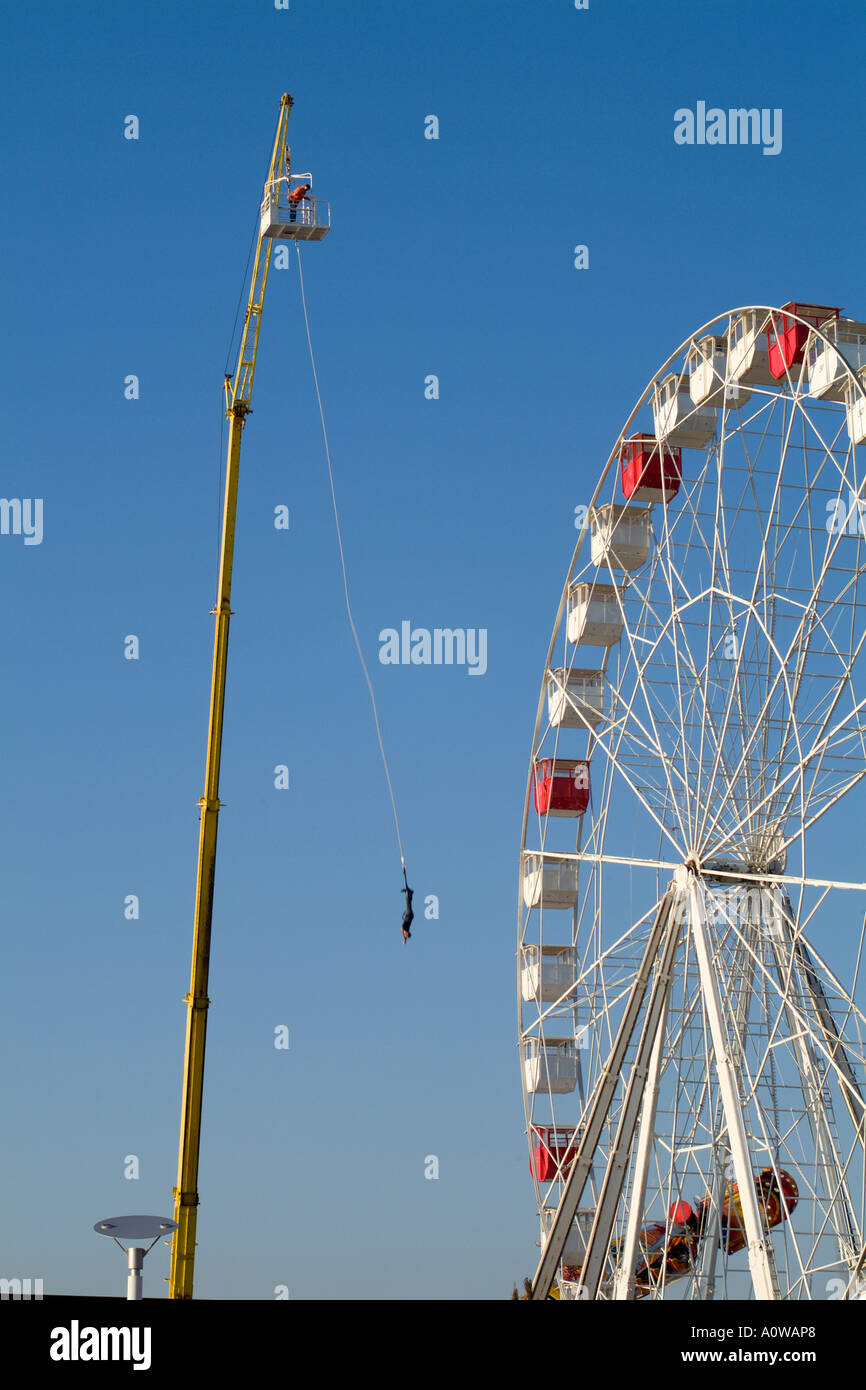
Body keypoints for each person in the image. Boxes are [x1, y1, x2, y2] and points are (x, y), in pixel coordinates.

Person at [401, 869, 414, 944]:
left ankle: (409, 892)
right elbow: (403, 927)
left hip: (409, 915)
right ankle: (409, 892)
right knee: (407, 901)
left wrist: (405, 940)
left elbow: (405, 935)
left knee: (408, 902)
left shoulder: (405, 933)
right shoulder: (405, 928)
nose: (404, 935)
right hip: (409, 915)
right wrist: (402, 929)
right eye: (406, 934)